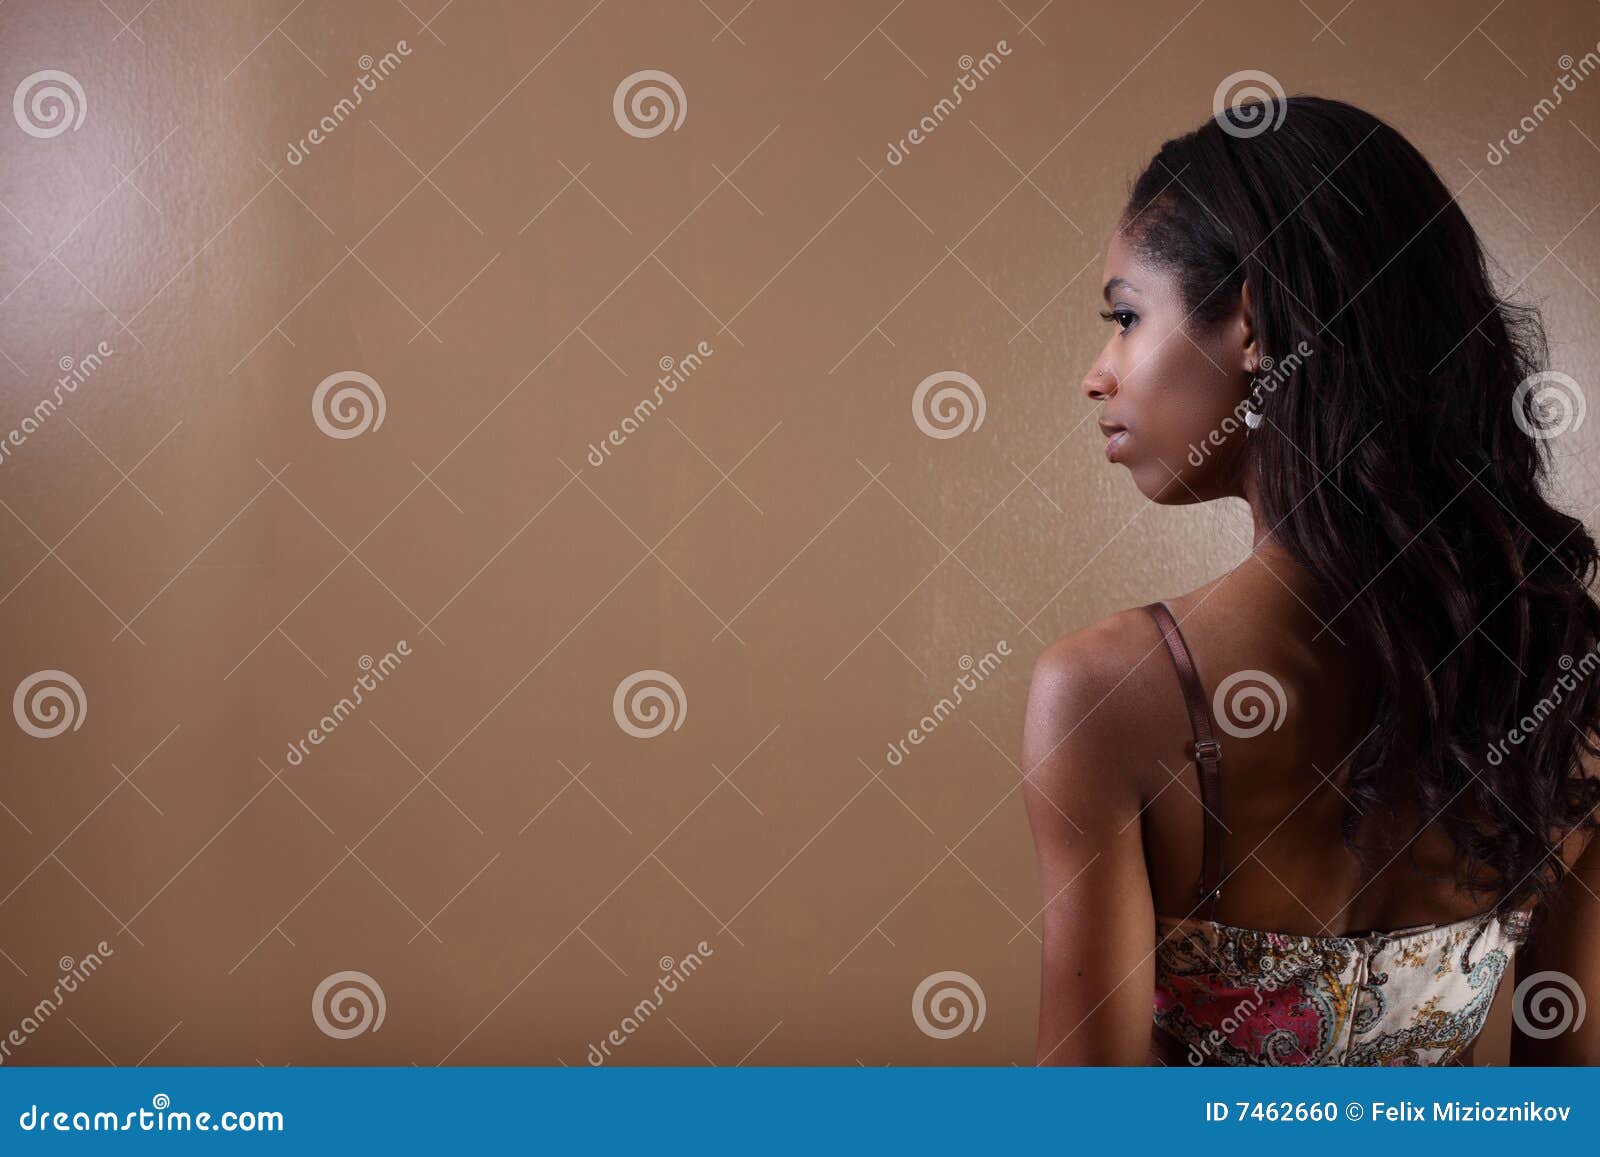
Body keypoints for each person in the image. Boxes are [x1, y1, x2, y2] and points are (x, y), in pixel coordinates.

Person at [1021, 95, 1600, 1066]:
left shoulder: (1105, 691)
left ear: (1252, 322)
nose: (1098, 371)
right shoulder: (1566, 670)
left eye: (1124, 317)